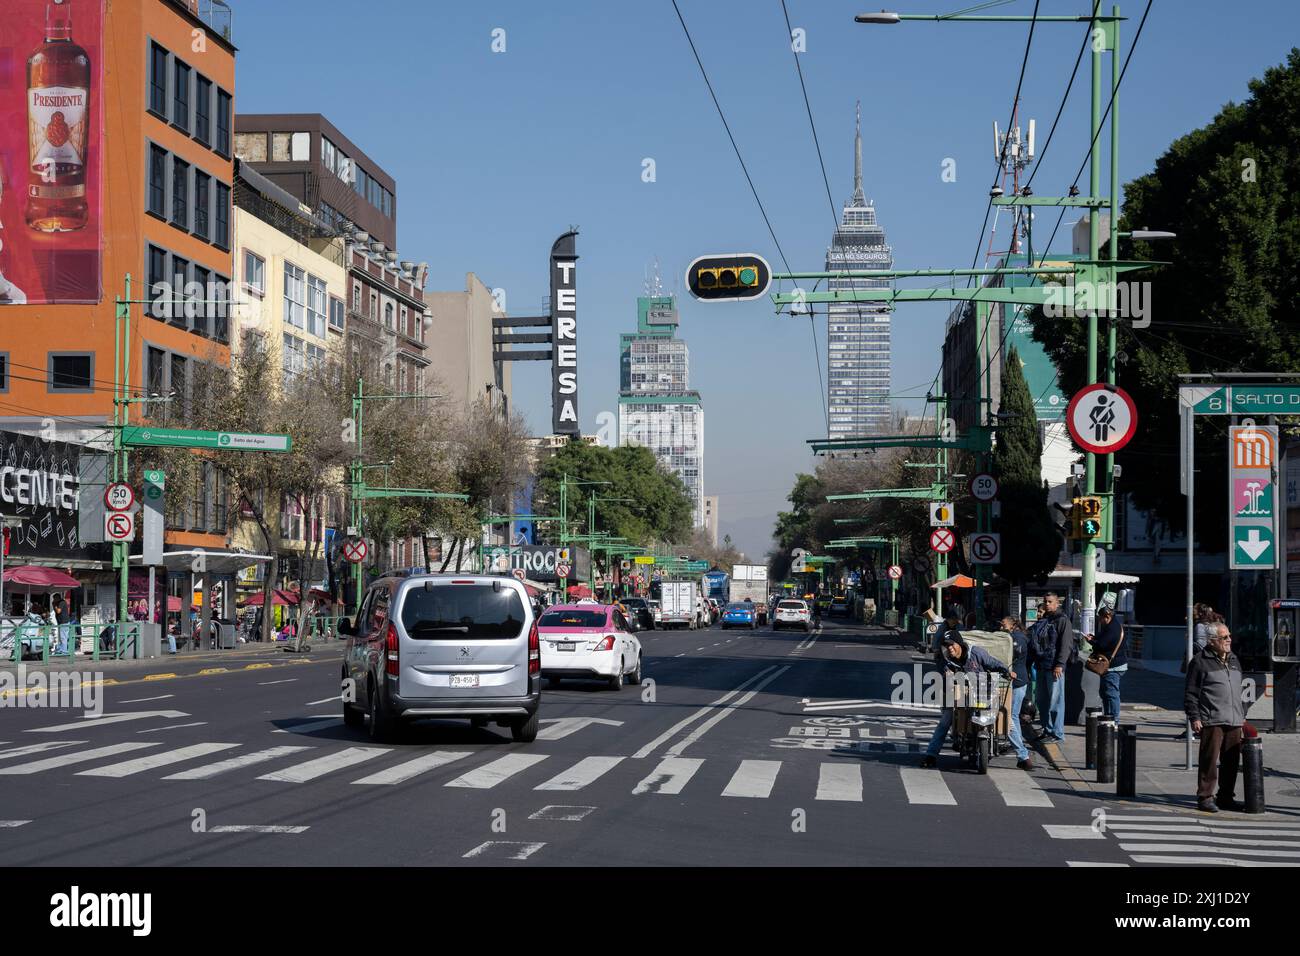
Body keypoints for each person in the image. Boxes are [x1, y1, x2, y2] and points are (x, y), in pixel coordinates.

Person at [921, 632, 1015, 768]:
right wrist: (948, 677)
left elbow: (994, 663)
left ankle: (1023, 756)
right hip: (962, 695)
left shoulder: (977, 653)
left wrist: (1007, 671)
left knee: (1008, 720)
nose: (950, 649)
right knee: (946, 720)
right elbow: (946, 678)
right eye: (946, 646)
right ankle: (931, 755)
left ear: (959, 643)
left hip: (985, 692)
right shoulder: (948, 660)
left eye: (952, 645)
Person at [1184, 622, 1247, 813]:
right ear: (1212, 641)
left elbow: (1238, 689)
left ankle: (1226, 797)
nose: (1229, 640)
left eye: (1229, 636)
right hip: (1212, 719)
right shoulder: (1200, 661)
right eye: (1224, 637)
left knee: (1231, 761)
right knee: (1209, 761)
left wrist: (1242, 714)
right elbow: (1191, 693)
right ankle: (1205, 797)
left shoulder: (1234, 659)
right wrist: (1194, 717)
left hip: (1235, 719)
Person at [1033, 593, 1072, 742]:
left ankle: (1057, 733)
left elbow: (1066, 644)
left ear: (1057, 603)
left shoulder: (1062, 620)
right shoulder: (1046, 620)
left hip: (1054, 667)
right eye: (1045, 602)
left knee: (1055, 702)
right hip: (1042, 666)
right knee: (1042, 701)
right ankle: (1047, 729)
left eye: (1050, 602)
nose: (1047, 604)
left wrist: (1060, 664)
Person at [1002, 616, 1034, 770]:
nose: (1002, 627)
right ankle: (1021, 751)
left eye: (1004, 624)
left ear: (1012, 625)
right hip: (1020, 680)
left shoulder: (1016, 638)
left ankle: (1023, 754)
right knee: (1013, 716)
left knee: (1008, 718)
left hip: (1017, 681)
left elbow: (1013, 655)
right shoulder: (1018, 636)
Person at [1091, 605, 1128, 721]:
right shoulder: (1112, 626)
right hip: (1112, 666)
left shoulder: (1113, 629)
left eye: (1100, 618)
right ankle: (1108, 718)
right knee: (1106, 693)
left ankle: (1113, 720)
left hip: (1113, 666)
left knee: (1111, 694)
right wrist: (1094, 639)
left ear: (1107, 617)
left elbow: (1102, 645)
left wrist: (1092, 641)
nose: (1099, 621)